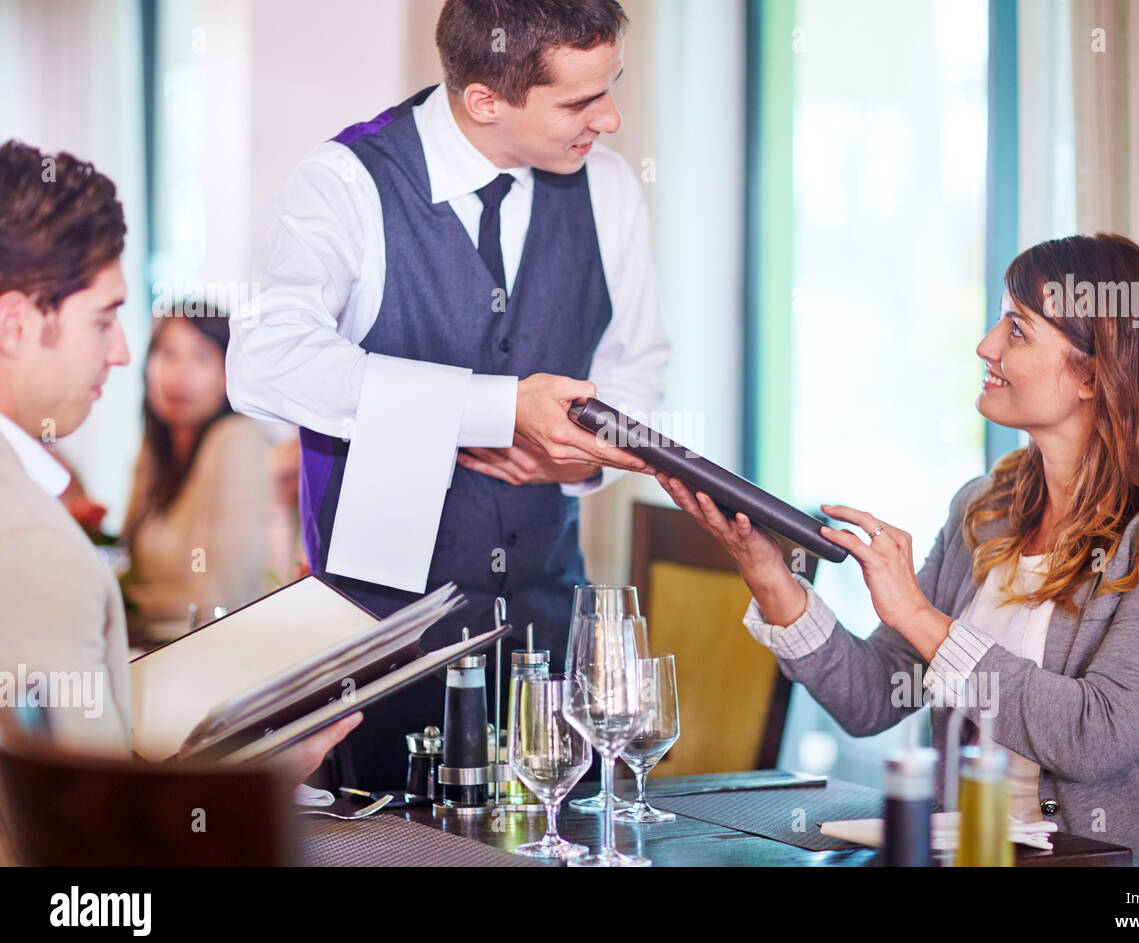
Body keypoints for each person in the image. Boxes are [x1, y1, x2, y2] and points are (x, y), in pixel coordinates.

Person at [657, 234, 1139, 866]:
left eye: (1017, 330)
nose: (986, 345)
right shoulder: (984, 508)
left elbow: (1093, 736)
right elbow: (874, 698)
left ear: (1094, 374)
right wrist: (767, 572)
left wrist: (918, 615)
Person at [226, 0, 668, 788]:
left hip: (549, 626)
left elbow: (639, 366)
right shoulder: (345, 183)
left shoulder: (607, 188)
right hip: (378, 645)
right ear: (485, 100)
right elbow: (267, 360)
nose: (611, 117)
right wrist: (495, 407)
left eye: (611, 86)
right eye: (579, 101)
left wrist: (579, 462)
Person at [0, 139, 358, 783]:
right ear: (16, 325)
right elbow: (90, 840)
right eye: (104, 319)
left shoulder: (231, 446)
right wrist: (254, 783)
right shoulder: (32, 542)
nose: (121, 353)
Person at [121, 305, 274, 643]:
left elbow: (220, 600)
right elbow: (126, 560)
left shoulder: (237, 439)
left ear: (228, 372)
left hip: (218, 656)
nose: (180, 373)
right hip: (155, 651)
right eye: (168, 353)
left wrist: (119, 607)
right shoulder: (155, 448)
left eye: (202, 357)